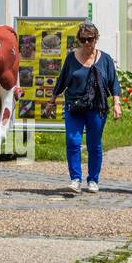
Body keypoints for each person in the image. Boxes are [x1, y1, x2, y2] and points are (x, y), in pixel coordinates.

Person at [52, 21, 121, 193]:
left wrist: (116, 104)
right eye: (83, 40)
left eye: (90, 39)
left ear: (96, 39)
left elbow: (114, 83)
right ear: (79, 40)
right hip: (74, 107)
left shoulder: (105, 59)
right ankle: (75, 179)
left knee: (94, 144)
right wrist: (51, 101)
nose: (87, 43)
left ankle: (93, 180)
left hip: (97, 107)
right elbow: (62, 82)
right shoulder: (71, 58)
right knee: (73, 141)